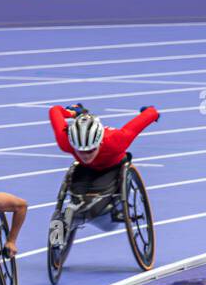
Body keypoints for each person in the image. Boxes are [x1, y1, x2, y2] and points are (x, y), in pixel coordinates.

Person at [46, 103, 159, 242]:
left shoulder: (117, 140)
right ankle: (59, 236)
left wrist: (150, 111)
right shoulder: (65, 141)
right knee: (75, 201)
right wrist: (73, 113)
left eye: (90, 150)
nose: (86, 155)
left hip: (113, 168)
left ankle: (89, 212)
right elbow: (54, 110)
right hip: (85, 170)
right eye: (80, 151)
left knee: (96, 203)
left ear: (99, 143)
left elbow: (149, 114)